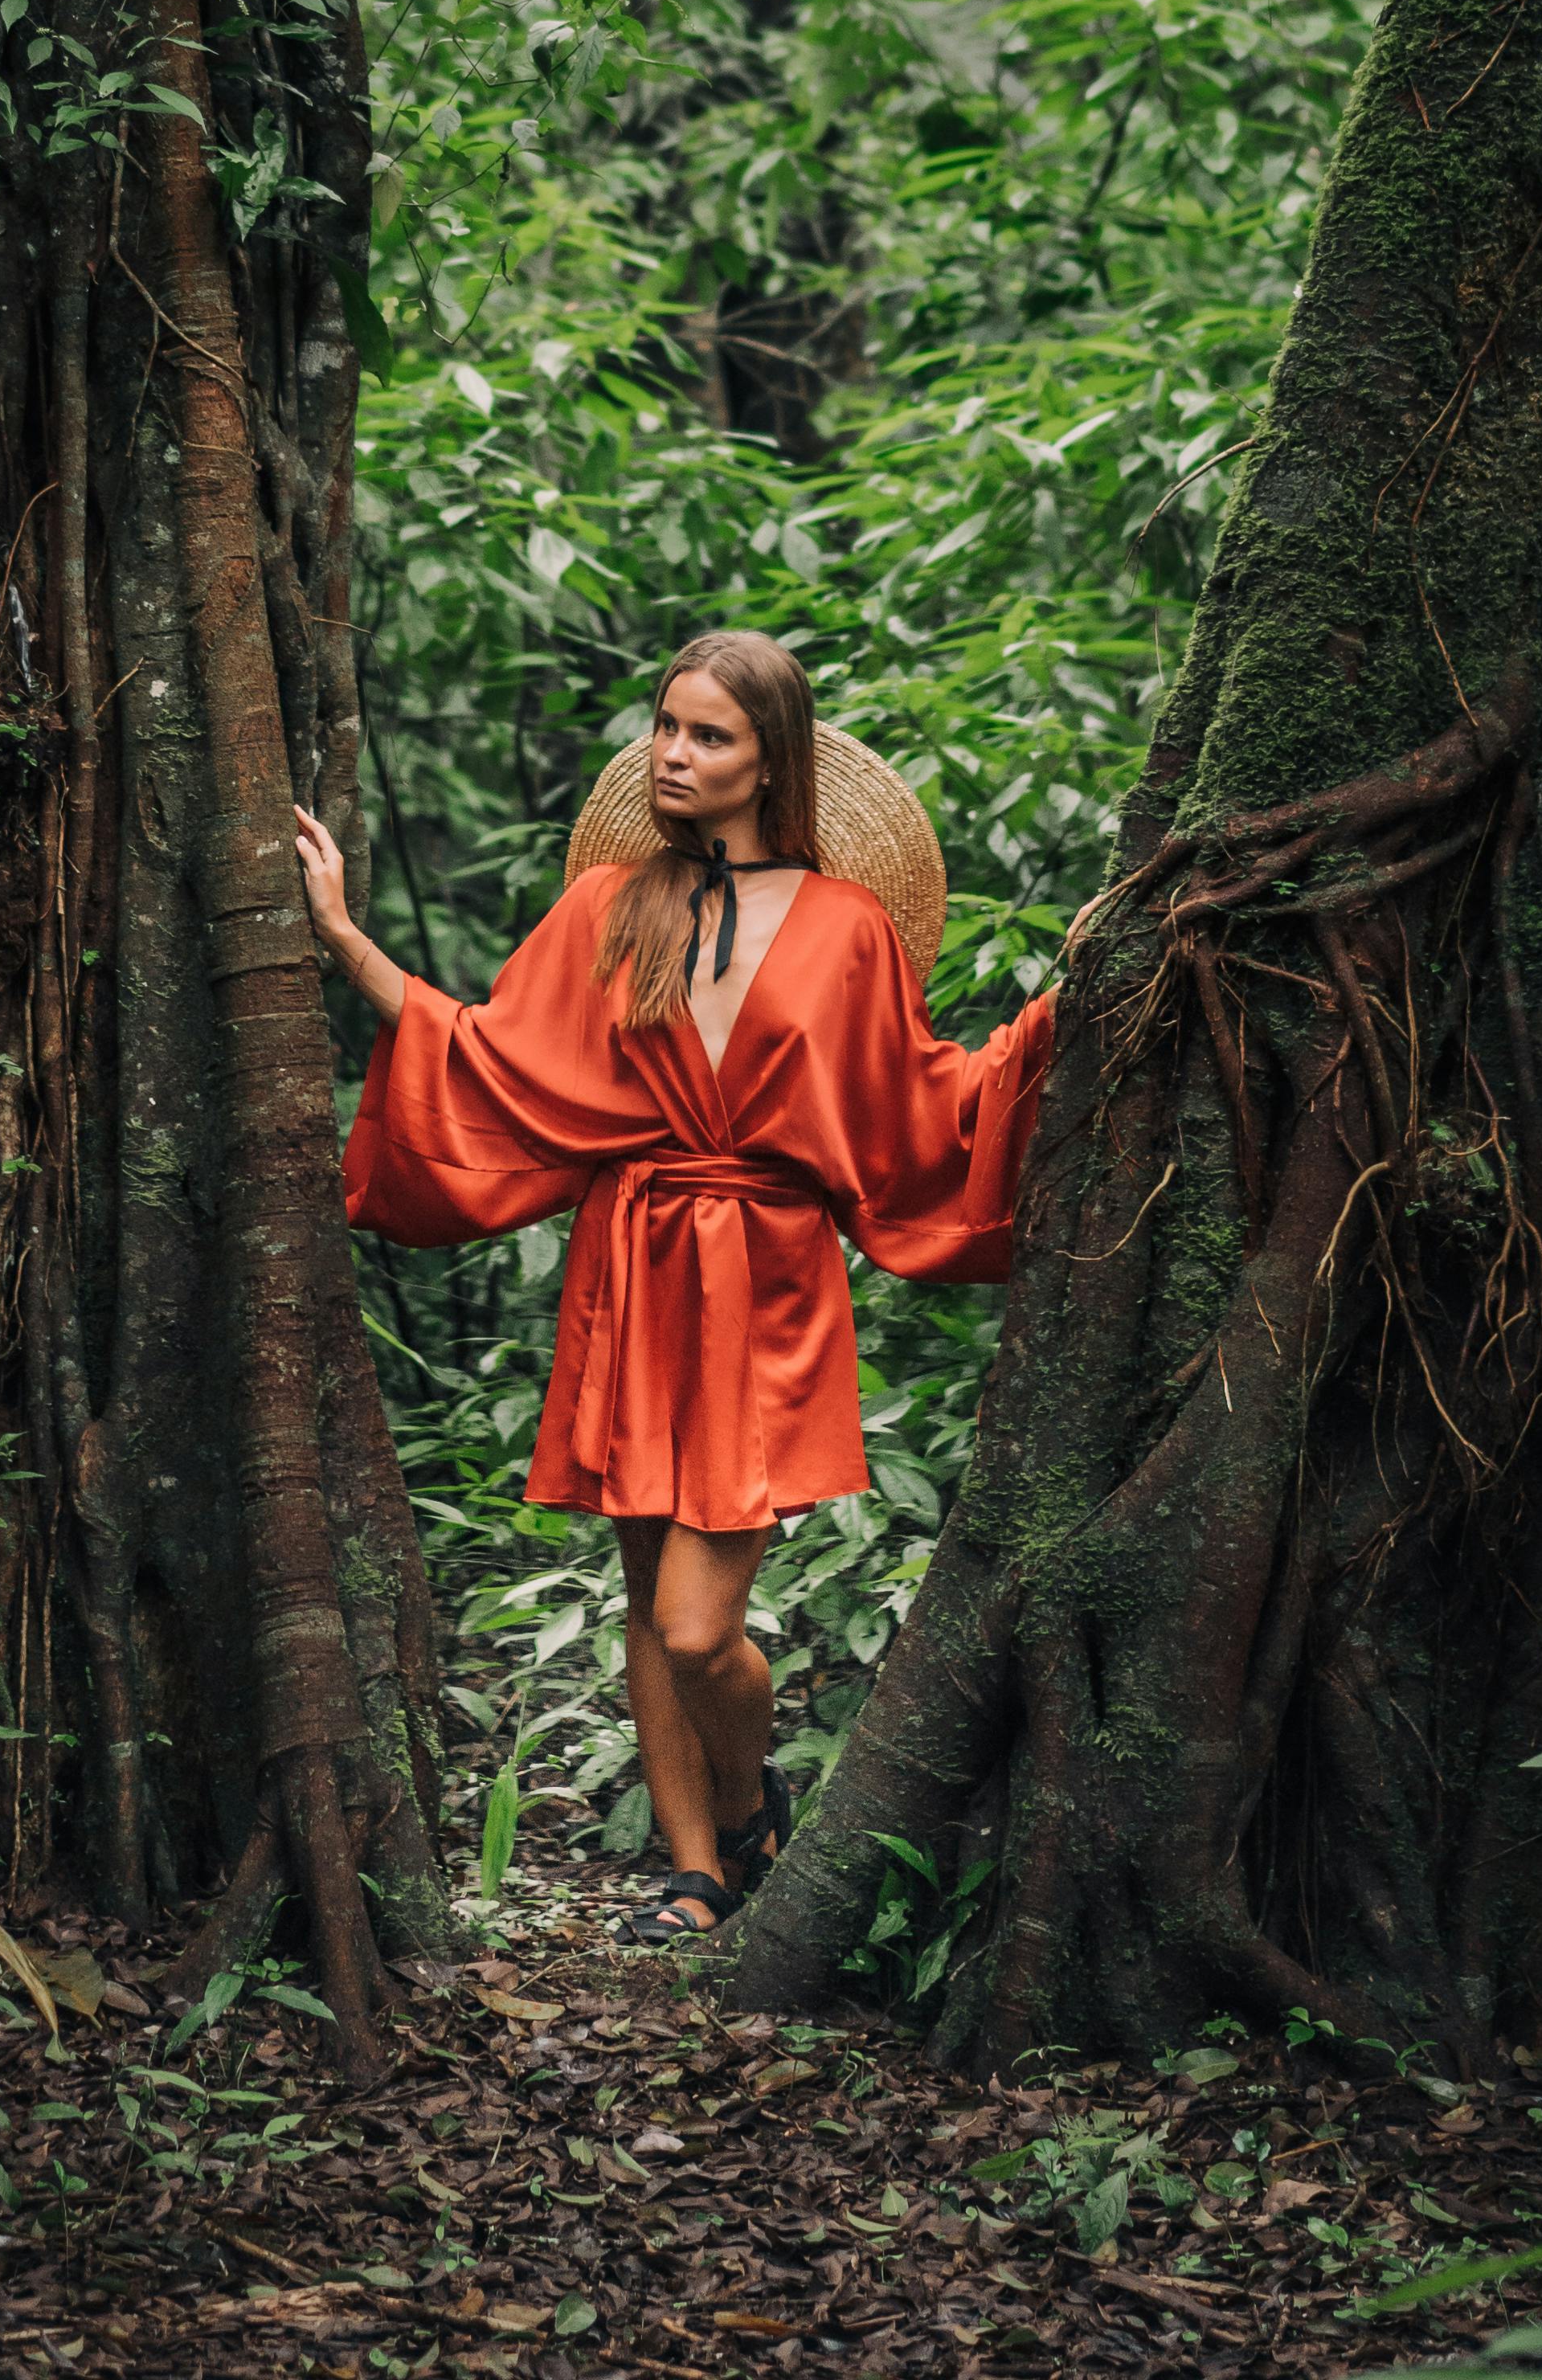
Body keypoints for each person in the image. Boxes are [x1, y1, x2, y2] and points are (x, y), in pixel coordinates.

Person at [292, 628, 1057, 1944]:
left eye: (709, 735)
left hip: (768, 1279)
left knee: (703, 1626)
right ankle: (697, 1875)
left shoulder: (848, 926)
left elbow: (926, 1106)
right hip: (634, 1260)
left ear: (772, 764)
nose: (673, 753)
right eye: (666, 726)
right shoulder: (608, 909)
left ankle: (753, 1807)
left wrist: (1063, 1006)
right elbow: (487, 1056)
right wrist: (344, 934)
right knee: (647, 1596)